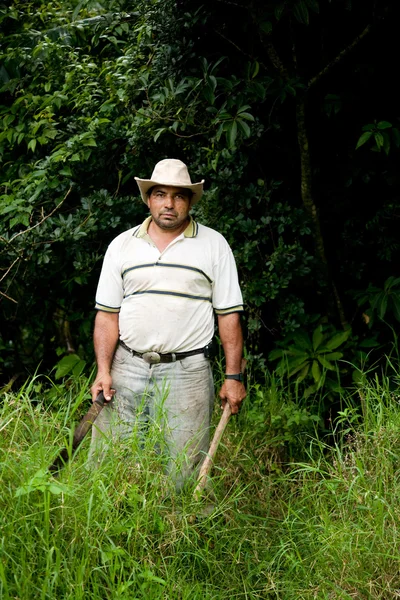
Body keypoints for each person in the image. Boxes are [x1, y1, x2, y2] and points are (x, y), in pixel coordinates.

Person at [90, 158, 246, 490]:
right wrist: (104, 370)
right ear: (148, 199)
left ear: (190, 202)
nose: (169, 204)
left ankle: (177, 531)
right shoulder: (122, 245)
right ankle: (112, 527)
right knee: (110, 460)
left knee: (183, 467)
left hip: (187, 371)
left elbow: (228, 315)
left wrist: (233, 377)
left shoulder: (214, 245)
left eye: (178, 196)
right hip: (126, 366)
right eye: (160, 194)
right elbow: (106, 315)